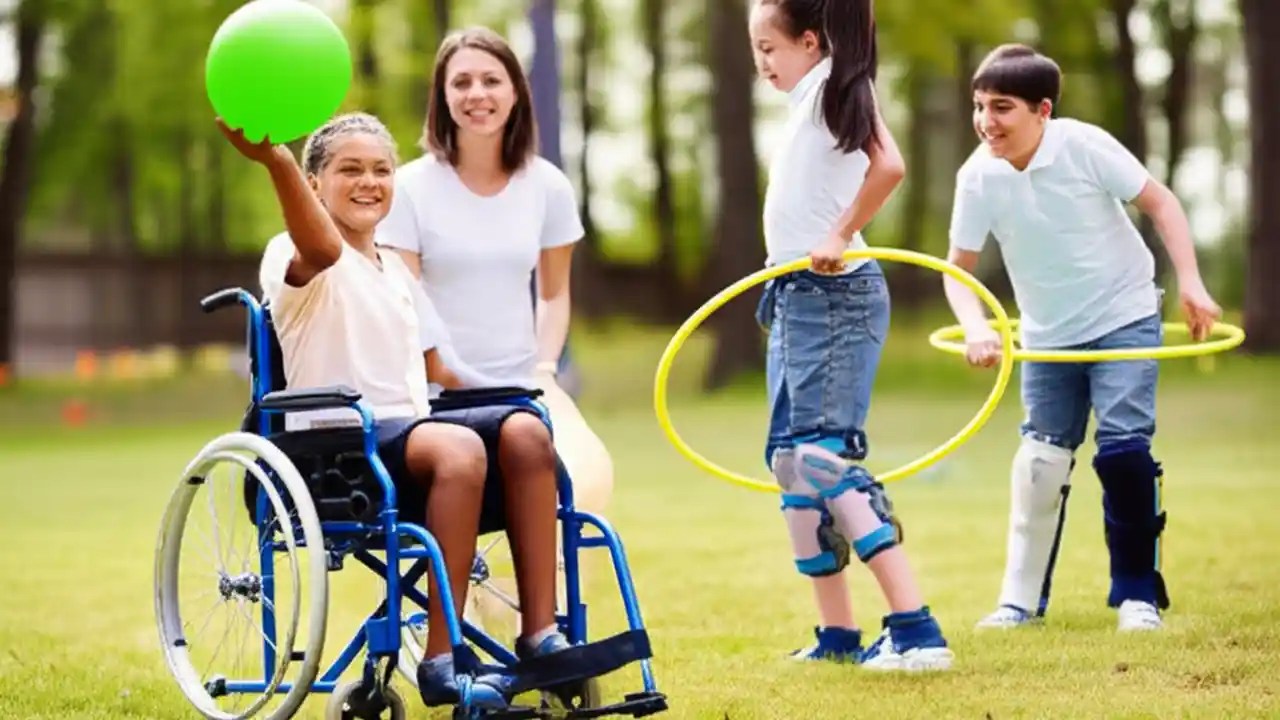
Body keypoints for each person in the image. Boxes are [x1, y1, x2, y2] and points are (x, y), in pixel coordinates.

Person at [217, 111, 511, 706]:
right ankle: (442, 656)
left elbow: (434, 373)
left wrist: (519, 396)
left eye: (381, 170)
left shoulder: (396, 272)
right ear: (315, 182)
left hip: (408, 440)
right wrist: (275, 160)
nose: (369, 182)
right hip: (335, 449)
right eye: (349, 170)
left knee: (524, 434)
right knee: (458, 446)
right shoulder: (291, 253)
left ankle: (543, 643)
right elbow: (322, 248)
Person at [942, 44, 1222, 632]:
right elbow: (958, 273)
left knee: (1123, 450)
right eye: (978, 106)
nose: (986, 121)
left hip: (1123, 313)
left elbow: (1162, 204)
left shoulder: (1083, 146)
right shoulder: (977, 176)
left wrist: (1192, 284)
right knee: (1041, 461)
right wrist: (975, 327)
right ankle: (1019, 602)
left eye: (1002, 107)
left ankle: (1137, 595)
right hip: (1049, 334)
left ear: (1042, 110)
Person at [746, 0, 953, 670]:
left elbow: (888, 165)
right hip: (796, 297)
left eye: (769, 47)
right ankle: (838, 636)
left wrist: (837, 234)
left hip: (836, 297)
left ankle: (917, 631)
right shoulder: (808, 97)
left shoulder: (835, 83)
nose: (762, 63)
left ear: (810, 42)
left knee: (821, 459)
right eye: (755, 49)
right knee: (788, 463)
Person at [377, 27, 583, 665]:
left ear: (516, 93)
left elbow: (553, 295)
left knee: (528, 436)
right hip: (432, 396)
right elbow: (402, 295)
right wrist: (446, 371)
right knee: (502, 439)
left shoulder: (546, 186)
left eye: (491, 80)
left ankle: (540, 635)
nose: (477, 94)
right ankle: (448, 645)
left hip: (519, 391)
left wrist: (545, 368)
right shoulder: (409, 187)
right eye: (461, 81)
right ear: (442, 96)